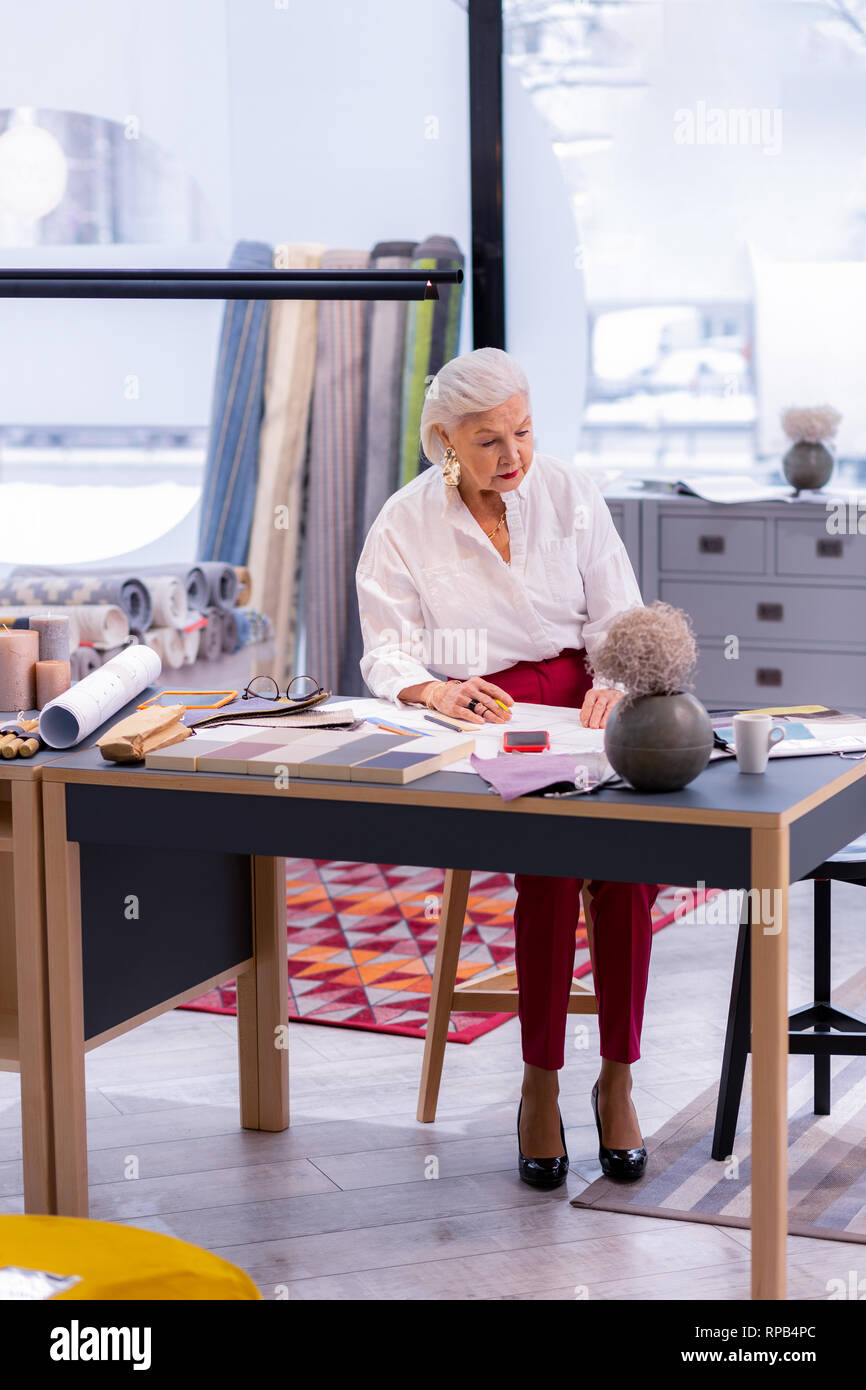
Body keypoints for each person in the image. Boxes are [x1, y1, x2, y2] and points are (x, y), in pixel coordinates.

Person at [356, 347, 659, 1187]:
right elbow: (386, 649)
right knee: (553, 871)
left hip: (585, 706)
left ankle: (619, 1077)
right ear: (444, 440)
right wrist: (432, 689)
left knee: (630, 868)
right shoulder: (405, 521)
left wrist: (614, 680)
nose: (514, 455)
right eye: (489, 441)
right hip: (488, 714)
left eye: (523, 431)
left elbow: (620, 613)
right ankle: (540, 1081)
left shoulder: (567, 492)